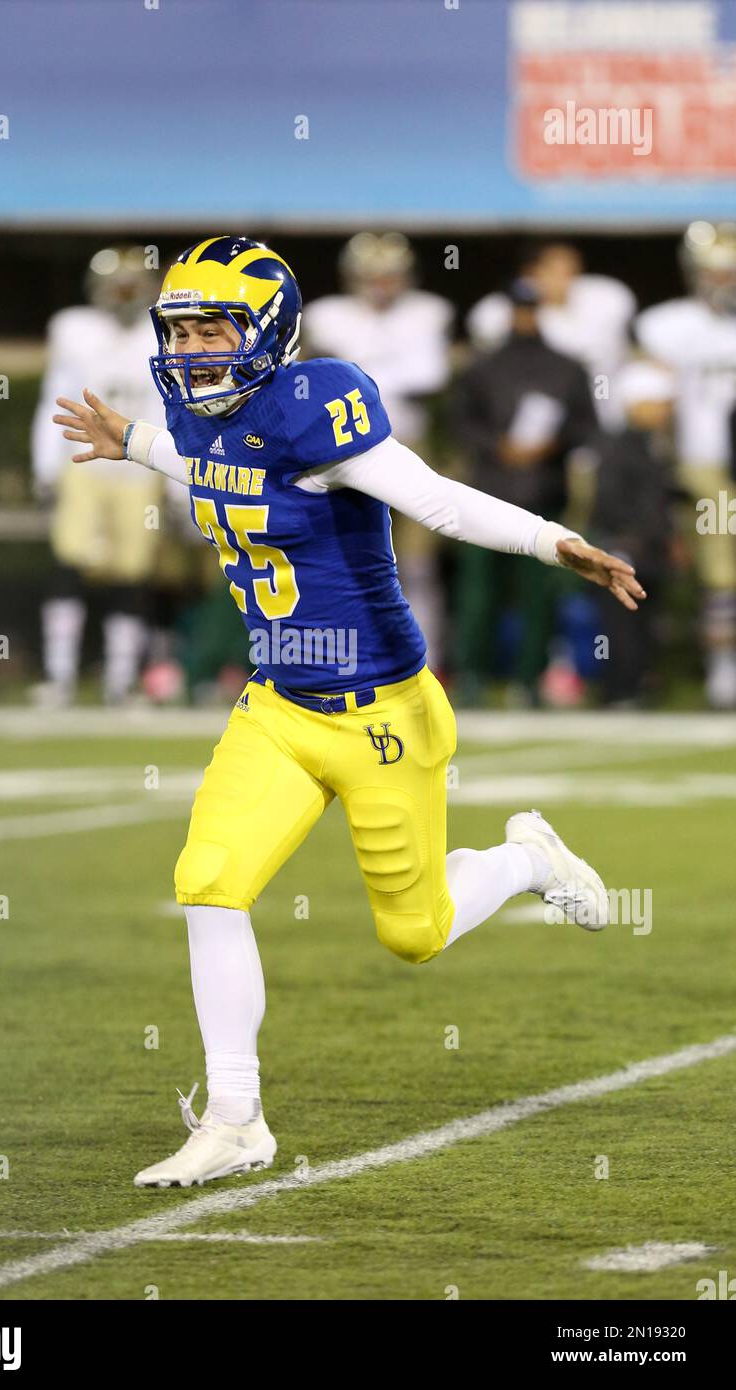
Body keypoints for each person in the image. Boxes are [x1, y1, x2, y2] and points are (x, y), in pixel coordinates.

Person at [53, 236, 644, 1189]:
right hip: (278, 706)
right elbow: (215, 466)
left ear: (269, 331)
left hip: (383, 715)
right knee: (209, 879)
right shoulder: (194, 411)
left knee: (415, 933)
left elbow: (434, 501)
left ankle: (528, 858)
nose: (196, 349)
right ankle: (236, 1117)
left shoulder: (314, 402)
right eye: (183, 330)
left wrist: (551, 541)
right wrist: (134, 444)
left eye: (214, 328)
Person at [31, 245, 193, 706]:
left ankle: (119, 681)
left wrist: (180, 486)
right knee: (70, 561)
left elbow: (175, 408)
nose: (123, 296)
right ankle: (59, 675)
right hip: (83, 459)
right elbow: (53, 400)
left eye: (131, 286)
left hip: (141, 465)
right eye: (116, 286)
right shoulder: (73, 328)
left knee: (133, 572)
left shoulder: (165, 331)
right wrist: (45, 466)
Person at [305, 233, 453, 669]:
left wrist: (362, 371)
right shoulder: (327, 316)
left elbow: (431, 375)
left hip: (409, 445)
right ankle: (345, 663)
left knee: (417, 565)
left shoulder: (428, 313)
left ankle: (429, 661)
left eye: (389, 275)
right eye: (371, 275)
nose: (381, 284)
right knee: (342, 560)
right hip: (341, 451)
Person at [451, 277, 600, 706]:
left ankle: (529, 680)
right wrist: (498, 446)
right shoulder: (483, 366)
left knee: (538, 596)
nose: (525, 316)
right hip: (486, 494)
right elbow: (462, 424)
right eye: (519, 308)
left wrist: (550, 446)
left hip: (543, 491)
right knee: (478, 594)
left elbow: (586, 427)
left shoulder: (566, 367)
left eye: (531, 308)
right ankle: (473, 677)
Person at [635, 221, 736, 710]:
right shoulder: (667, 325)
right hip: (705, 464)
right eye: (717, 272)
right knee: (719, 571)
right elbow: (645, 403)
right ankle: (722, 672)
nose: (726, 282)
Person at [589, 361, 681, 706]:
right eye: (660, 402)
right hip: (626, 549)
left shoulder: (651, 445)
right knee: (620, 624)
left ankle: (639, 684)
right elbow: (610, 504)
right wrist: (631, 540)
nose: (666, 411)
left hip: (648, 548)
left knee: (645, 623)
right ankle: (618, 690)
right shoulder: (618, 447)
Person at [467, 240, 635, 429]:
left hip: (602, 399)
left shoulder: (606, 299)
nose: (565, 280)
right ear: (531, 273)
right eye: (556, 271)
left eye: (572, 272)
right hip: (539, 406)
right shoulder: (503, 310)